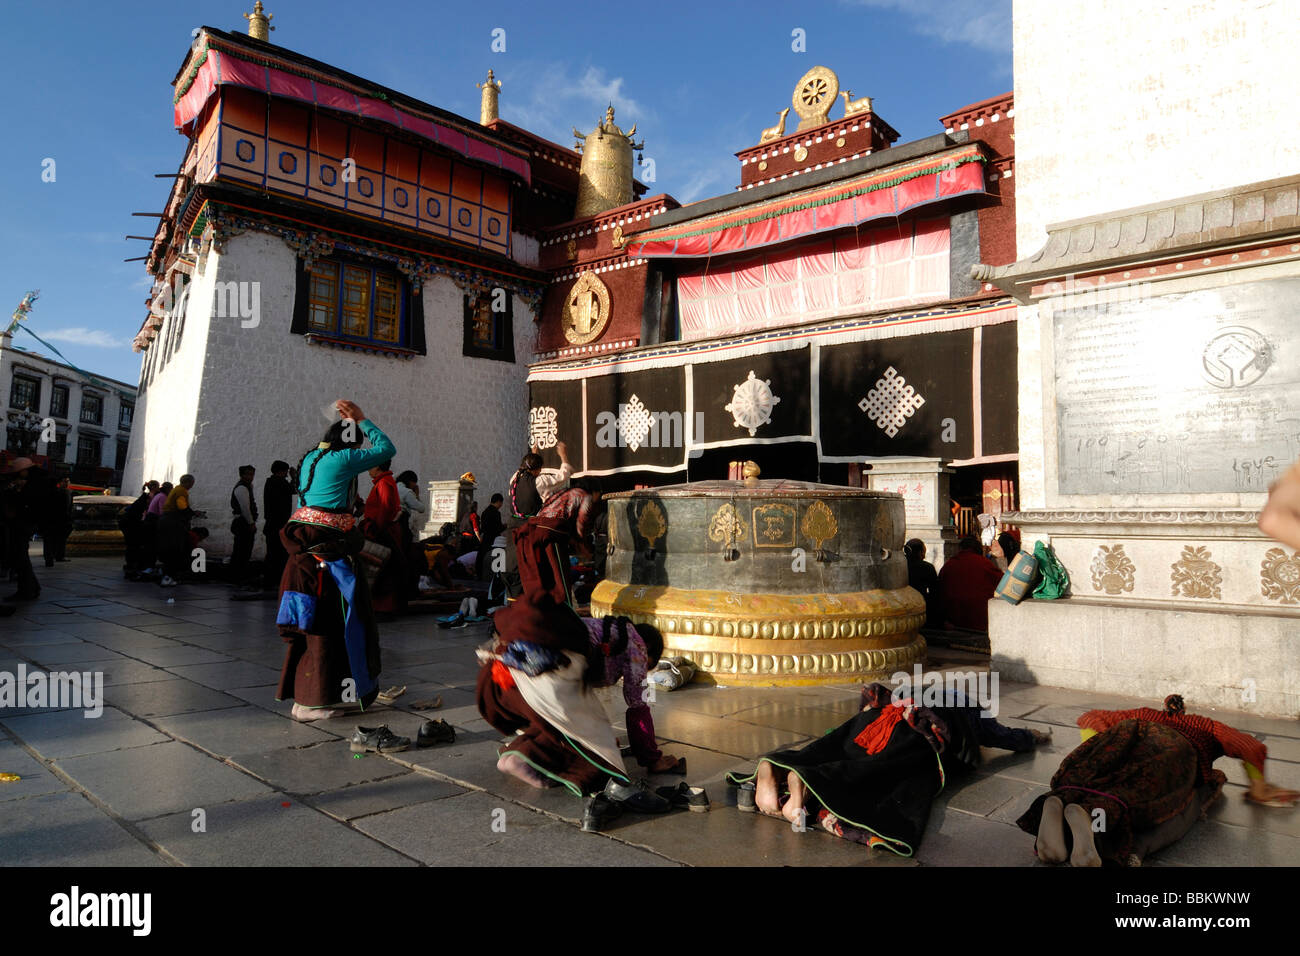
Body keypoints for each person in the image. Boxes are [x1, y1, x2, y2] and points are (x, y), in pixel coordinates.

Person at [730, 682, 1044, 856]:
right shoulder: (971, 710)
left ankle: (781, 765)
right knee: (884, 769)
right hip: (916, 727)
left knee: (842, 746)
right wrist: (1032, 736)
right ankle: (809, 779)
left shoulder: (917, 689)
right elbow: (1004, 736)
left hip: (885, 712)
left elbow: (871, 707)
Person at [1017, 695, 1299, 867]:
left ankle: (1063, 800)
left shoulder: (1140, 714)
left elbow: (1089, 717)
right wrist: (1258, 786)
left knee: (1101, 775)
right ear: (1184, 710)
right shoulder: (1205, 725)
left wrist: (1100, 746)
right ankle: (1094, 825)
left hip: (1125, 738)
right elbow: (1248, 746)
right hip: (1175, 748)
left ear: (1164, 706)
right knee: (1144, 789)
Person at [475, 593, 673, 816]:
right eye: (648, 666)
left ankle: (513, 756)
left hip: (508, 672)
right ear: (649, 651)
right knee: (599, 746)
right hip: (546, 672)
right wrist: (651, 758)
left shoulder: (607, 628)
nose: (643, 670)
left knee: (558, 724)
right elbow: (638, 706)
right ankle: (531, 763)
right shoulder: (637, 645)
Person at [275, 400, 395, 722]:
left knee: (312, 623)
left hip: (306, 547)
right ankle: (314, 702)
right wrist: (363, 420)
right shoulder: (344, 458)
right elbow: (386, 449)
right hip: (327, 552)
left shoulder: (312, 457)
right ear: (351, 443)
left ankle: (308, 699)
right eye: (357, 443)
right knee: (331, 624)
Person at [514, 478, 601, 606]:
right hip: (551, 534)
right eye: (599, 494)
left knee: (545, 574)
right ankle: (564, 609)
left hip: (534, 531)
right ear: (595, 491)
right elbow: (581, 523)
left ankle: (548, 608)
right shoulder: (585, 496)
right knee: (560, 575)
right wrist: (583, 547)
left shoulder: (563, 492)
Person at [360, 460, 404, 616]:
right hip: (381, 530)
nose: (368, 469)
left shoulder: (384, 483)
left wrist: (375, 529)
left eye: (370, 465)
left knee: (382, 569)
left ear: (377, 466)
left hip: (382, 531)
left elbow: (385, 509)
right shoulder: (383, 482)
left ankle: (384, 608)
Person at [936, 535, 1001, 631]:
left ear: (960, 549)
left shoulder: (949, 565)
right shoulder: (984, 563)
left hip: (954, 618)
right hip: (980, 618)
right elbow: (1003, 582)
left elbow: (938, 590)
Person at [1, 458, 40, 601]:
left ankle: (26, 590)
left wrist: (16, 491)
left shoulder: (31, 486)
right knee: (21, 558)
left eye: (18, 473)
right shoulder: (32, 483)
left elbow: (22, 504)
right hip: (25, 525)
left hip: (23, 525)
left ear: (25, 471)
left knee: (20, 558)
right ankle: (32, 588)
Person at [158, 475, 198, 587]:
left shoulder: (176, 489)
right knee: (174, 548)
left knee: (170, 548)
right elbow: (182, 507)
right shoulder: (182, 492)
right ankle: (168, 576)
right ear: (189, 482)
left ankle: (167, 574)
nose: (192, 485)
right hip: (173, 522)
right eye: (192, 483)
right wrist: (192, 513)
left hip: (165, 521)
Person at [262, 461, 294, 591]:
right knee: (278, 553)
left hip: (272, 523)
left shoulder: (270, 482)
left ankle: (270, 579)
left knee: (272, 552)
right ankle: (275, 579)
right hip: (278, 523)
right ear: (281, 471)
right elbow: (294, 489)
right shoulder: (279, 482)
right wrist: (294, 477)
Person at [395, 470, 425, 596]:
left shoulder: (393, 487)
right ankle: (410, 589)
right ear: (410, 481)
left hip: (390, 525)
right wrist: (417, 494)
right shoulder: (407, 492)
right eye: (414, 483)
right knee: (410, 557)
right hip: (401, 525)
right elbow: (421, 508)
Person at [120, 481, 159, 576]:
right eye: (157, 486)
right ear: (154, 487)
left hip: (130, 523)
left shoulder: (147, 496)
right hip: (130, 524)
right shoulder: (149, 497)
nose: (159, 488)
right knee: (133, 544)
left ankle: (133, 564)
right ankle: (132, 564)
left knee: (133, 544)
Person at [903, 538, 941, 628]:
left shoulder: (899, 566)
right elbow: (935, 593)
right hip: (920, 607)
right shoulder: (927, 567)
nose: (924, 556)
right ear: (920, 553)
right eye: (924, 552)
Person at [229, 465, 258, 583]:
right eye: (247, 474)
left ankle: (239, 574)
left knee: (244, 549)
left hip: (243, 522)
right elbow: (245, 508)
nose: (250, 477)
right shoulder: (241, 488)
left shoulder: (247, 486)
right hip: (242, 522)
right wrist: (251, 523)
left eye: (252, 474)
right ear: (242, 475)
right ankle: (238, 575)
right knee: (242, 550)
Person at [39, 475, 73, 567]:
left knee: (49, 541)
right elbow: (66, 508)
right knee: (58, 539)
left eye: (67, 481)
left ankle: (49, 559)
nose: (66, 483)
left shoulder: (44, 493)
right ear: (58, 483)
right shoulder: (64, 493)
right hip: (59, 520)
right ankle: (58, 556)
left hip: (49, 521)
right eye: (65, 481)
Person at [139, 481, 172, 575]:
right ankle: (150, 566)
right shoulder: (163, 497)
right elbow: (162, 512)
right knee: (152, 546)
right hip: (152, 522)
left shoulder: (158, 495)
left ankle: (148, 566)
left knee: (149, 545)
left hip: (149, 521)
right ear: (168, 489)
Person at [476, 492, 505, 579]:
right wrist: (505, 526)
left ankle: (480, 574)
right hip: (494, 539)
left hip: (485, 537)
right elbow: (498, 528)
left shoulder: (485, 512)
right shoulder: (496, 513)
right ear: (499, 502)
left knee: (482, 556)